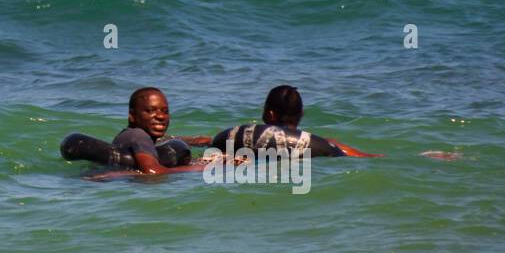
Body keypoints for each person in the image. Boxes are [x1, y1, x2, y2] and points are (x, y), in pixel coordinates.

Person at [60, 87, 193, 174]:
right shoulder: (139, 136)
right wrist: (195, 169)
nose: (160, 116)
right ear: (132, 116)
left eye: (165, 111)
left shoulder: (126, 136)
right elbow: (152, 172)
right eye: (150, 111)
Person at [209, 84, 345, 158]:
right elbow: (358, 156)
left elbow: (209, 143)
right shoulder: (324, 144)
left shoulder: (236, 135)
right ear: (301, 114)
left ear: (270, 114)